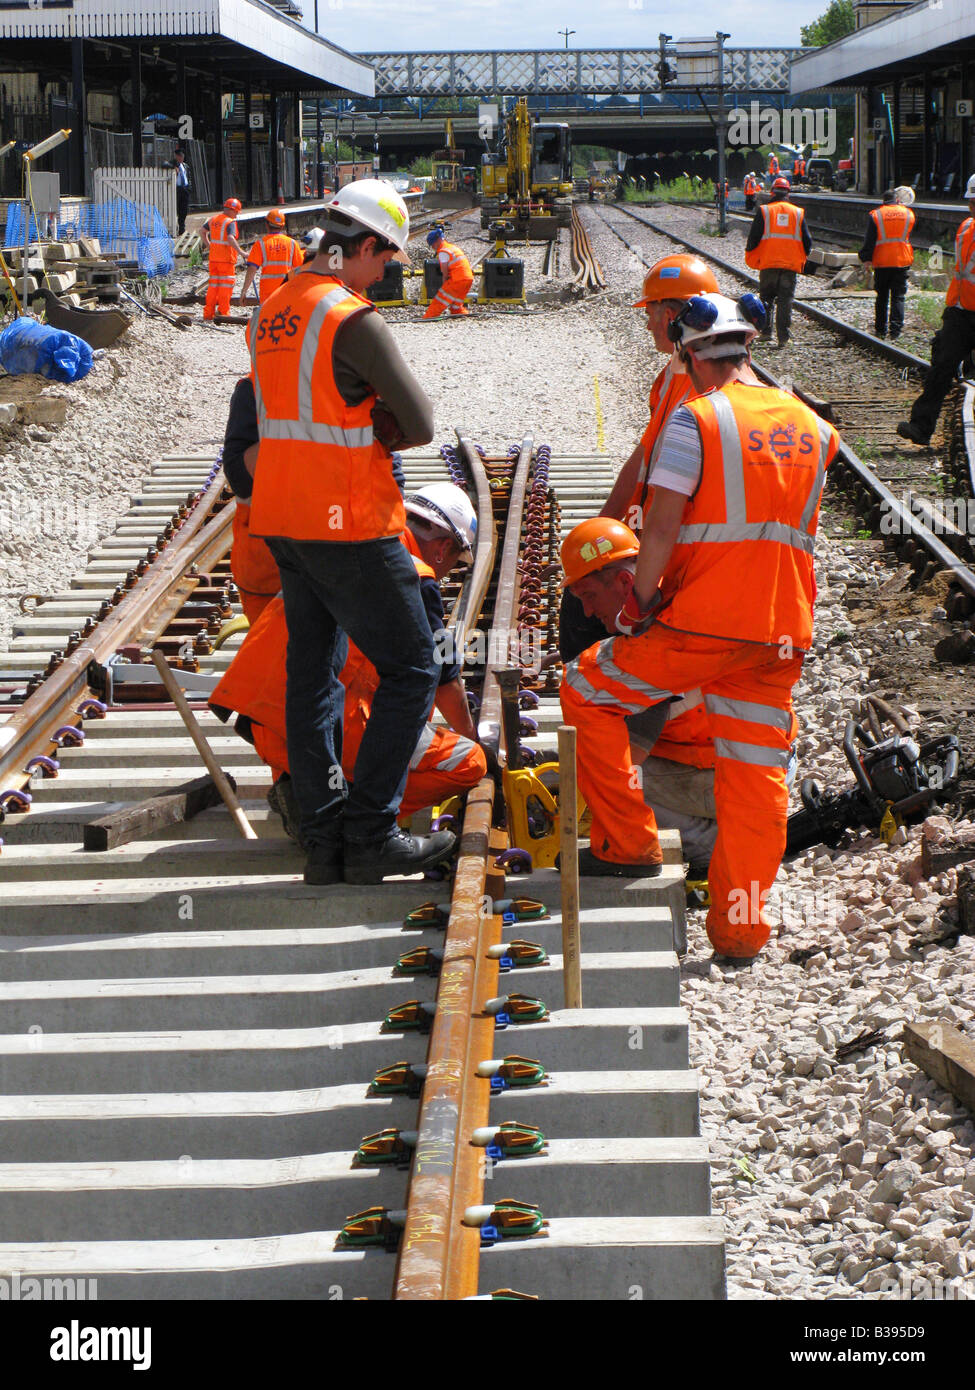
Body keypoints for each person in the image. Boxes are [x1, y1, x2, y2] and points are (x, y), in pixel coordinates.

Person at [560, 292, 839, 960]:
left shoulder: (697, 421)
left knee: (587, 690)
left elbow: (658, 526)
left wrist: (637, 605)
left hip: (704, 624)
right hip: (779, 634)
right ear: (746, 347)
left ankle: (626, 846)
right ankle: (739, 931)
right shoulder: (812, 428)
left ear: (689, 353)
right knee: (752, 782)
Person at [247, 179, 455, 886]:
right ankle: (371, 832)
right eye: (385, 259)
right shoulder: (351, 318)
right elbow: (420, 425)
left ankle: (325, 837)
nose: (386, 272)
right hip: (348, 520)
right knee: (411, 669)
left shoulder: (269, 311)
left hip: (283, 517)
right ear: (362, 245)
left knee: (313, 678)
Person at [211, 484, 486, 846]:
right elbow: (443, 680)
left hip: (270, 728)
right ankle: (361, 824)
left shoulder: (335, 545)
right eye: (453, 565)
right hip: (333, 732)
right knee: (469, 761)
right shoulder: (414, 573)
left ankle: (306, 795)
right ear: (443, 548)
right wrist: (470, 736)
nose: (447, 573)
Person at [559, 253, 722, 663]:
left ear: (671, 315)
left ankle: (616, 697)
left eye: (650, 313)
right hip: (652, 532)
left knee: (589, 606)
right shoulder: (671, 376)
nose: (648, 324)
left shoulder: (707, 387)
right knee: (579, 592)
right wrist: (604, 524)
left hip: (676, 544)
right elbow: (643, 455)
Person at [897, 173, 975, 446]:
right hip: (960, 312)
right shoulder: (966, 227)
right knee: (941, 368)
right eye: (972, 201)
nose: (974, 206)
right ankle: (920, 427)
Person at [745, 175, 812, 347]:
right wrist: (803, 258)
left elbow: (753, 238)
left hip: (768, 263)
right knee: (785, 301)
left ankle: (766, 332)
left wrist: (751, 255)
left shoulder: (765, 211)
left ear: (772, 192)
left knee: (766, 298)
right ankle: (784, 338)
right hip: (789, 265)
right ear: (788, 193)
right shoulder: (798, 213)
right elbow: (808, 241)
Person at [858, 187, 915, 340]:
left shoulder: (876, 215)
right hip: (902, 260)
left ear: (883, 201)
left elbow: (870, 239)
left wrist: (866, 258)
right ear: (897, 199)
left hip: (882, 261)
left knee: (882, 296)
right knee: (898, 296)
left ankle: (880, 330)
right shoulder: (908, 213)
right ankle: (895, 331)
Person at [240, 208, 303, 304]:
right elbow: (300, 269)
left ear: (267, 224)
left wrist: (244, 291)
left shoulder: (260, 244)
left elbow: (252, 269)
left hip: (267, 291)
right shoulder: (292, 243)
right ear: (282, 226)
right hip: (285, 288)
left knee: (268, 317)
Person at [202, 197, 243, 320]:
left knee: (213, 286)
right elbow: (230, 238)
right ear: (232, 210)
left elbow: (202, 231)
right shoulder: (230, 222)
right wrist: (241, 252)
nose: (236, 215)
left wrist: (210, 246)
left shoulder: (213, 219)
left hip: (214, 259)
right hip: (226, 260)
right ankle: (224, 313)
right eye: (236, 212)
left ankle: (208, 314)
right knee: (225, 288)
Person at [423, 227, 473, 319]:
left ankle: (429, 317)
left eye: (432, 245)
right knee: (457, 302)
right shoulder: (452, 247)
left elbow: (444, 271)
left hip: (457, 279)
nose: (433, 247)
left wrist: (445, 282)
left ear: (437, 241)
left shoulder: (443, 251)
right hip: (468, 278)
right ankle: (458, 313)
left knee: (440, 299)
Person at [173, 150, 190, 234]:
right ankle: (175, 227)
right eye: (179, 156)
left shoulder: (185, 166)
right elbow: (164, 165)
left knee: (184, 210)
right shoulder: (173, 165)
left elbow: (188, 177)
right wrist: (174, 167)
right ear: (176, 156)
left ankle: (182, 228)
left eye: (182, 156)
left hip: (185, 189)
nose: (181, 158)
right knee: (176, 208)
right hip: (177, 189)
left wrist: (189, 187)